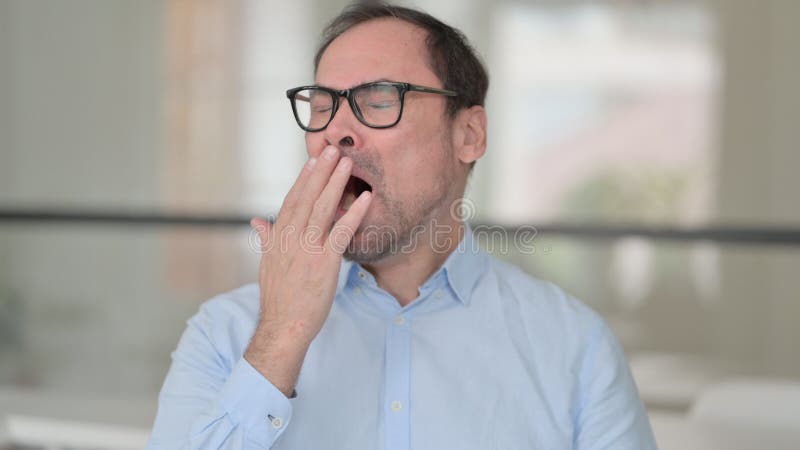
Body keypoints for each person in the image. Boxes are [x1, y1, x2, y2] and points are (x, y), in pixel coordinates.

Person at [147, 3, 657, 449]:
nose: (335, 133)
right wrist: (282, 336)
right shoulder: (224, 334)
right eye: (322, 106)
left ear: (470, 134)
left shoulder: (575, 349)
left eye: (379, 100)